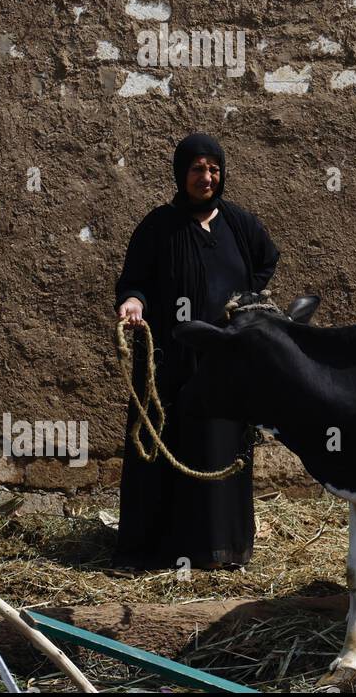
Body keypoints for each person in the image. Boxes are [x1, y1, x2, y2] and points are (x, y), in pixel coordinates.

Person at [112, 133, 280, 570]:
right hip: (172, 361)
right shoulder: (158, 226)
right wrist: (133, 301)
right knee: (169, 446)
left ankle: (221, 549)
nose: (206, 177)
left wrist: (245, 301)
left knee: (221, 447)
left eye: (213, 169)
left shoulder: (239, 224)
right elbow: (134, 280)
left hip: (224, 363)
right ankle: (158, 550)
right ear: (181, 174)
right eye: (196, 169)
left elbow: (267, 259)